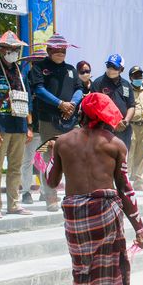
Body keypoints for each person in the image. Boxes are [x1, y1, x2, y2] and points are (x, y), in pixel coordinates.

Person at [45, 92, 143, 285]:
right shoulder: (116, 145)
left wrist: (49, 156)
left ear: (82, 113)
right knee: (111, 266)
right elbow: (125, 189)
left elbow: (51, 182)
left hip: (77, 219)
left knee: (84, 268)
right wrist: (140, 228)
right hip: (105, 215)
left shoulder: (63, 142)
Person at [0, 31, 34, 219]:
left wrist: (29, 125)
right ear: (1, 49)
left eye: (16, 49)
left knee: (15, 167)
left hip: (19, 124)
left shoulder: (20, 71)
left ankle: (14, 204)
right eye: (9, 48)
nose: (13, 52)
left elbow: (27, 100)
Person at [29, 33, 83, 212]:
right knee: (48, 157)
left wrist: (73, 104)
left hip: (70, 119)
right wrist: (60, 104)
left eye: (63, 50)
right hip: (48, 120)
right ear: (49, 49)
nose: (60, 52)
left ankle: (73, 194)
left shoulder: (71, 69)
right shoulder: (39, 67)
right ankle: (50, 196)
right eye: (57, 49)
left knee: (73, 157)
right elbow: (39, 89)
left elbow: (78, 89)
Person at [19, 48, 48, 205]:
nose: (39, 64)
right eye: (36, 61)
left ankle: (45, 191)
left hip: (46, 129)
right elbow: (24, 104)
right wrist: (28, 126)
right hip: (32, 129)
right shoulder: (26, 80)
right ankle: (26, 191)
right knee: (28, 160)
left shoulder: (48, 80)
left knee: (43, 160)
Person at [92, 54, 135, 149]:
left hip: (123, 130)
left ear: (122, 69)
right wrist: (112, 121)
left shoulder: (126, 84)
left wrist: (126, 121)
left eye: (114, 67)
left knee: (122, 159)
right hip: (103, 130)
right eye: (109, 65)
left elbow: (131, 106)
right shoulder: (98, 83)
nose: (111, 69)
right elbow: (95, 107)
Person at [127, 66, 143, 191]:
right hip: (131, 125)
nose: (138, 78)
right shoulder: (127, 91)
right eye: (136, 76)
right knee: (130, 154)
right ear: (131, 77)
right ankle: (127, 181)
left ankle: (138, 181)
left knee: (141, 154)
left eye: (140, 76)